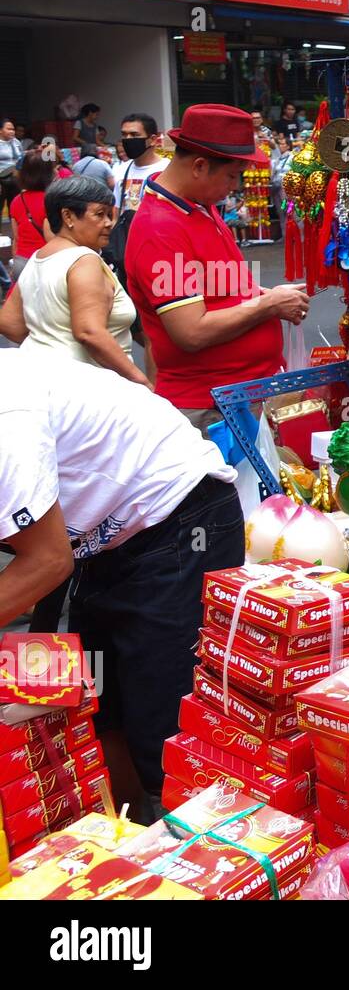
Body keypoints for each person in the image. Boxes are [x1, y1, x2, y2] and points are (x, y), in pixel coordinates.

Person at [0, 345, 243, 813]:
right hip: (102, 531)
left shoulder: (8, 424)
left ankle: (191, 862)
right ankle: (123, 836)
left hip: (179, 516)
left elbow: (47, 562)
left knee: (163, 724)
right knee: (99, 703)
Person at [124, 103, 309, 432]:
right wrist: (266, 305)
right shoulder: (161, 229)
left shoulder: (198, 206)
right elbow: (191, 331)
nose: (236, 186)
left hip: (232, 398)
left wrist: (263, 296)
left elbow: (216, 288)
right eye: (232, 175)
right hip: (208, 408)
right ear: (199, 166)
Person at [0, 176, 147, 386]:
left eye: (109, 214)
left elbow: (10, 324)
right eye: (99, 214)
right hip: (84, 388)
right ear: (68, 216)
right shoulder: (84, 260)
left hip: (38, 379)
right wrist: (140, 381)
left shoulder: (39, 257)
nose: (108, 223)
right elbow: (89, 332)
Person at [112, 113, 169, 215]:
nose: (128, 139)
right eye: (124, 135)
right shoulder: (121, 169)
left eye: (134, 135)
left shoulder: (167, 170)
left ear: (152, 140)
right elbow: (117, 209)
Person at [7, 154, 54, 277]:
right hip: (44, 263)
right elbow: (51, 238)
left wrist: (15, 262)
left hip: (21, 262)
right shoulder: (50, 200)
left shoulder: (17, 200)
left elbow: (16, 238)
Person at [0, 118, 24, 216]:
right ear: (0, 130)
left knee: (15, 207)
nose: (12, 131)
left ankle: (16, 230)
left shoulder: (16, 142)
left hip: (15, 178)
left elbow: (21, 159)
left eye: (13, 129)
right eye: (9, 129)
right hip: (2, 178)